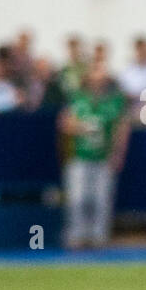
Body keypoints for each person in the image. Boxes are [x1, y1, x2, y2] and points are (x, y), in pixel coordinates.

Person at [58, 60, 129, 249]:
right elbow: (65, 123)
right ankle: (77, 235)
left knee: (101, 199)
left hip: (103, 155)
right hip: (80, 155)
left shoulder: (115, 100)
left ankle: (98, 237)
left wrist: (118, 153)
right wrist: (82, 128)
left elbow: (121, 128)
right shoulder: (77, 98)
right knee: (78, 198)